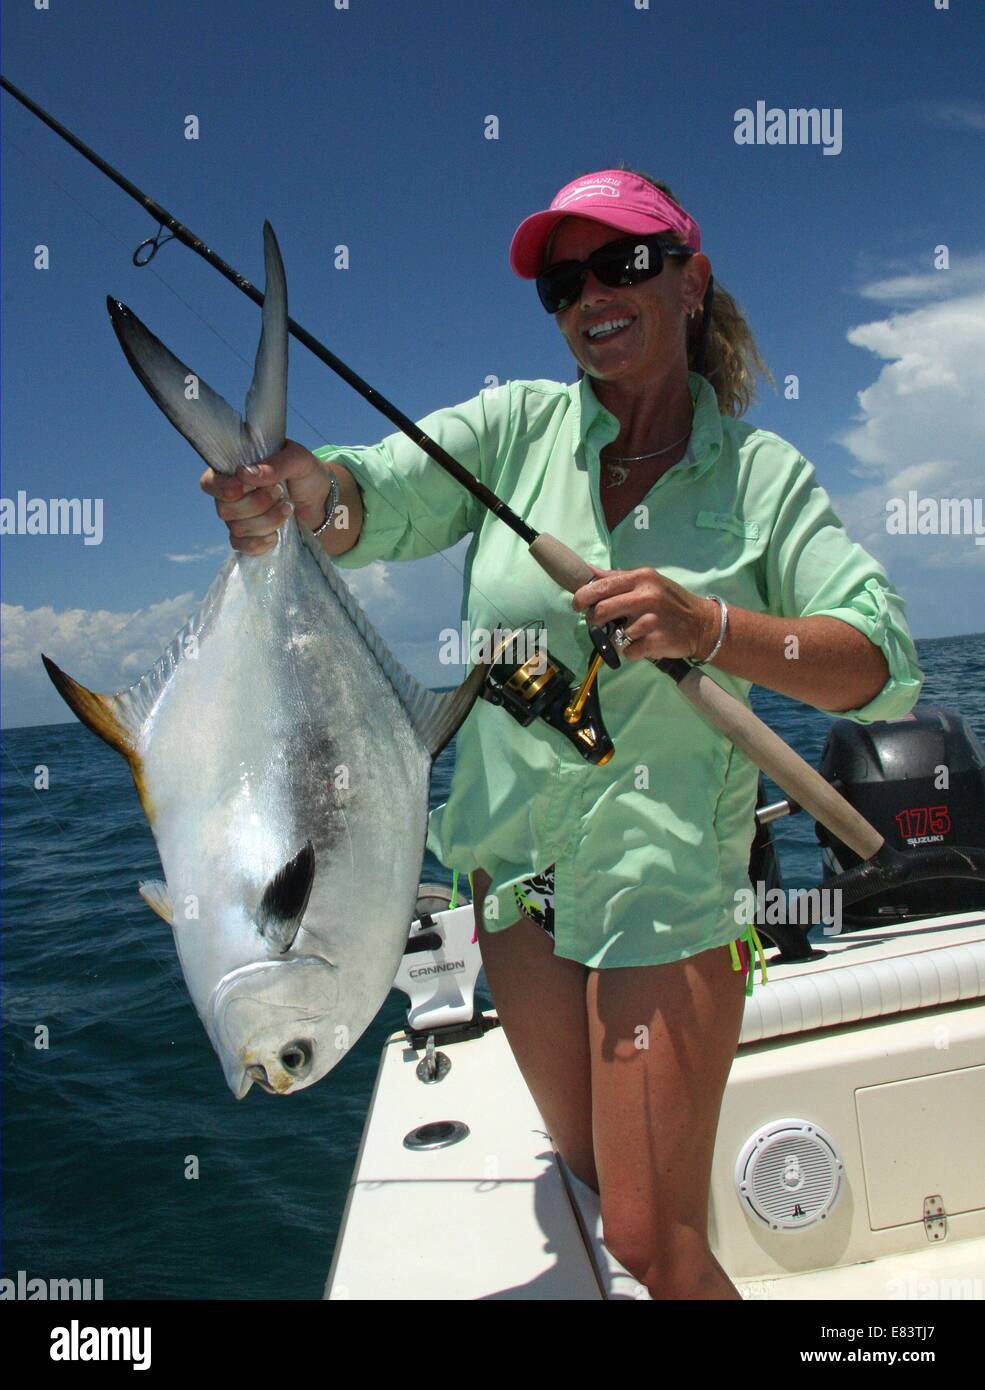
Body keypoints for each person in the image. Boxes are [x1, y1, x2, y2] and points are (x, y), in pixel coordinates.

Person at [200, 168, 923, 1299]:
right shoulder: (510, 429)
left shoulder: (762, 482)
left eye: (623, 262)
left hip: (668, 878)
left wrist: (711, 624)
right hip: (506, 872)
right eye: (561, 278)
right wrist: (302, 495)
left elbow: (878, 666)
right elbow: (369, 500)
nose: (590, 292)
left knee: (644, 1235)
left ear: (691, 280)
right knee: (589, 1165)